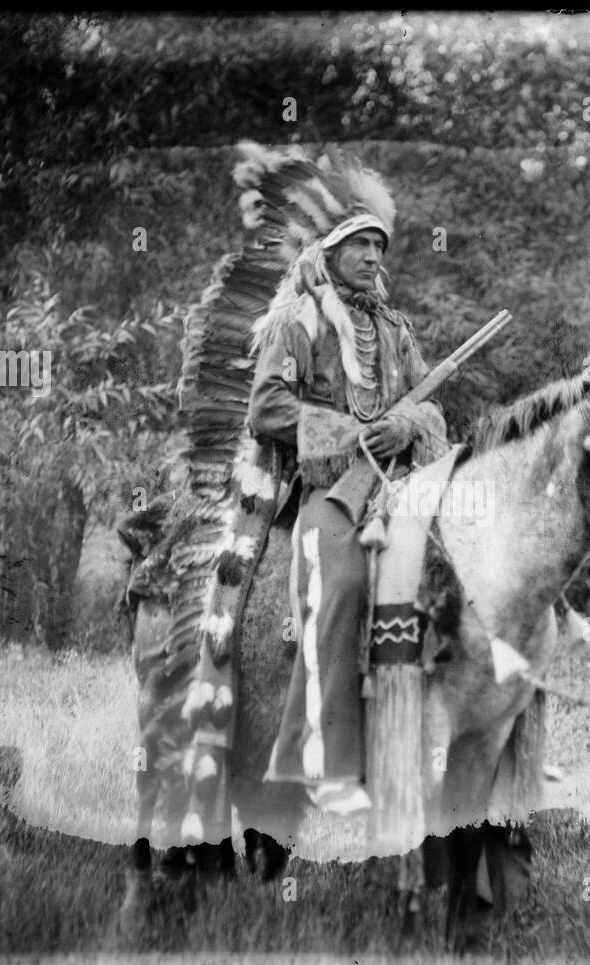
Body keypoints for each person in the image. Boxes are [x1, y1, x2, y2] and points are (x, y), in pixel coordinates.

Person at [247, 212, 447, 814]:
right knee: (347, 584)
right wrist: (354, 435)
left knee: (464, 574)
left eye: (379, 246)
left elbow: (428, 406)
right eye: (358, 243)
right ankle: (329, 765)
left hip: (399, 486)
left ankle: (459, 743)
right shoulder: (299, 320)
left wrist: (402, 425)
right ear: (329, 251)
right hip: (328, 490)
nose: (371, 255)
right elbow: (266, 407)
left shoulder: (394, 327)